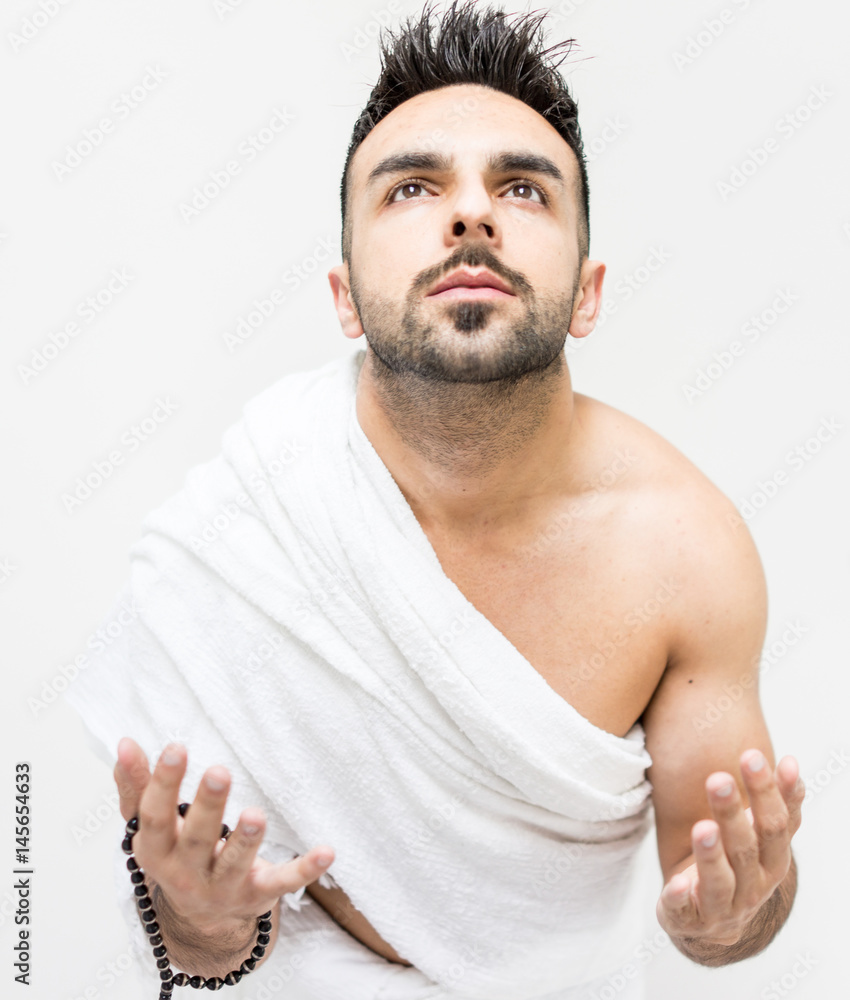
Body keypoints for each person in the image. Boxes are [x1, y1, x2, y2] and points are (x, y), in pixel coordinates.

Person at [65, 2, 804, 998]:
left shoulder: (683, 552)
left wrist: (734, 915)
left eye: (524, 189)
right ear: (344, 295)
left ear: (586, 294)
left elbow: (718, 906)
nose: (471, 215)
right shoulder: (244, 525)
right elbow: (201, 952)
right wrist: (201, 921)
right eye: (412, 187)